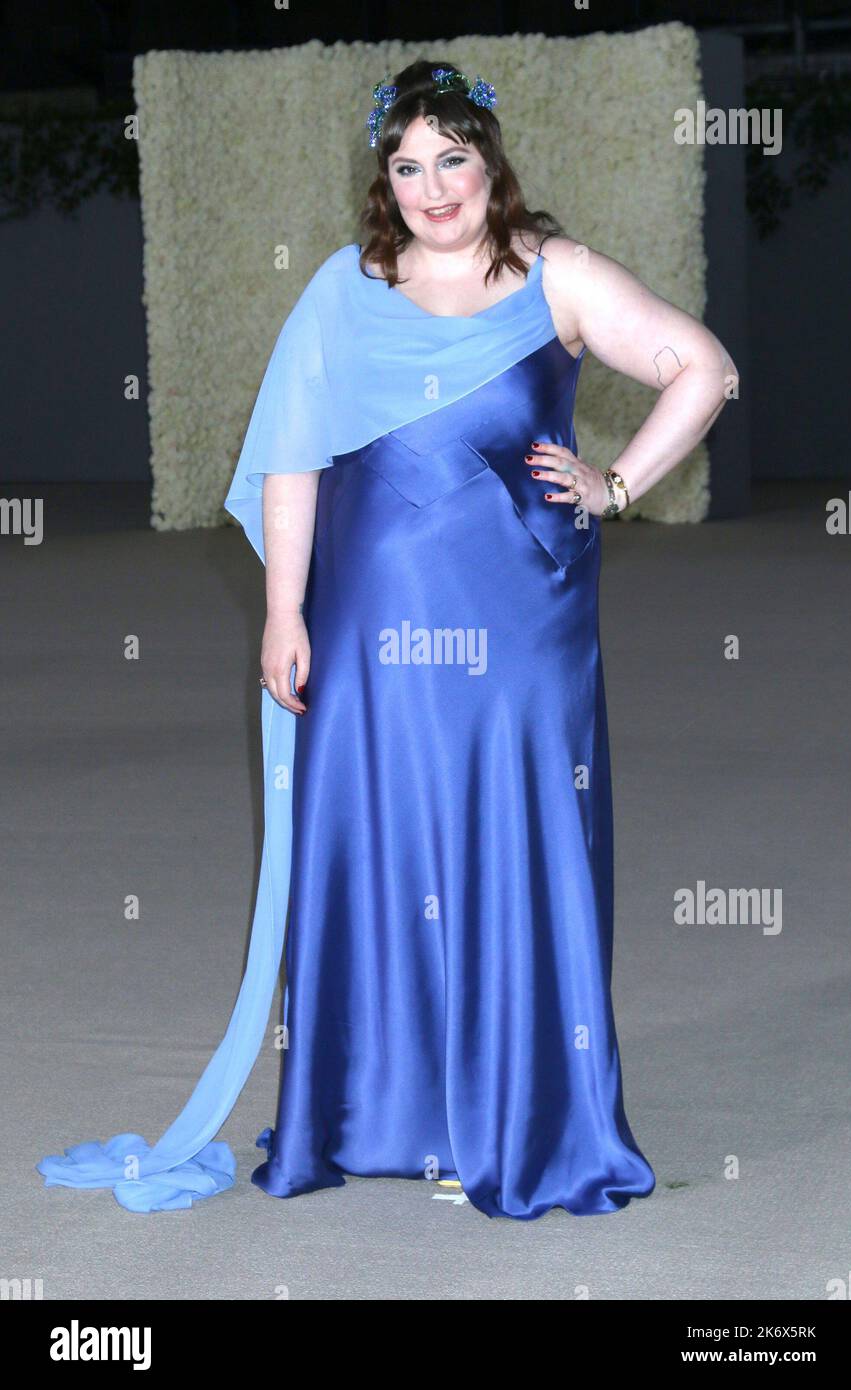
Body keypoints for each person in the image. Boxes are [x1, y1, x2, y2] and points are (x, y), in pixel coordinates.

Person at [37, 59, 736, 1218]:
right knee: (381, 843)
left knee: (515, 840)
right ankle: (378, 1111)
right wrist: (280, 613)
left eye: (450, 158)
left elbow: (700, 367)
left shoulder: (553, 275)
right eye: (406, 166)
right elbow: (293, 465)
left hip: (521, 635)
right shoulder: (343, 290)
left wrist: (614, 483)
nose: (431, 186)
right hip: (368, 633)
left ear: (488, 161)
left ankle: (529, 1118)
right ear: (385, 181)